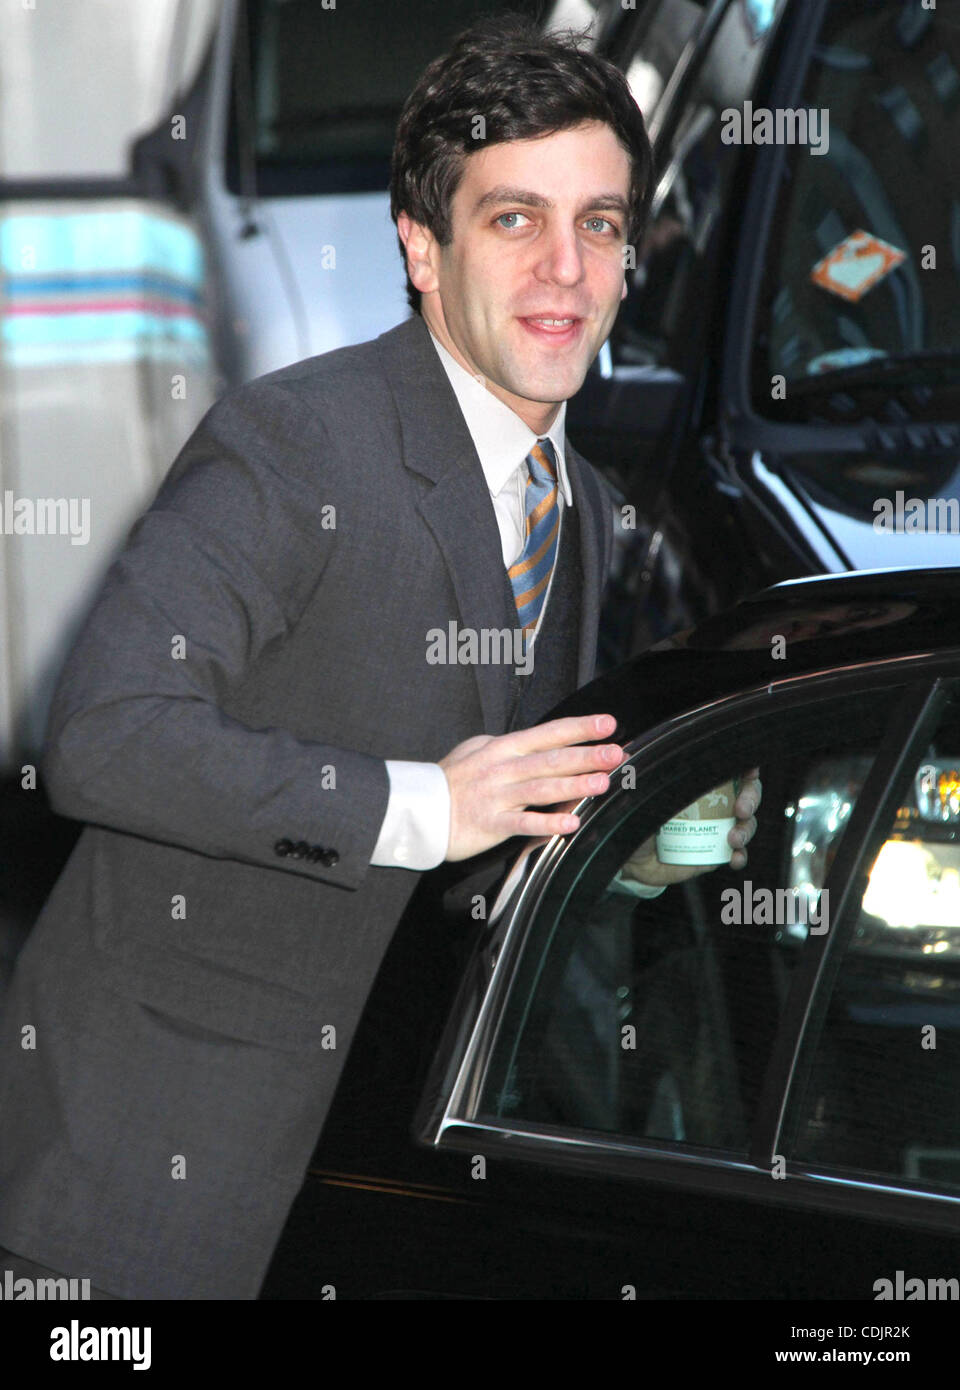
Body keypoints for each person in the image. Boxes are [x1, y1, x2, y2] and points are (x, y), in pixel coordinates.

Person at [0, 15, 759, 1299]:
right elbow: (108, 734)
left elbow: (465, 844)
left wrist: (618, 850)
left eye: (601, 223)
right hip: (137, 1193)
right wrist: (425, 803)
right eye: (515, 218)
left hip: (356, 1189)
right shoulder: (297, 443)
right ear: (421, 246)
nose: (566, 267)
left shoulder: (575, 506)